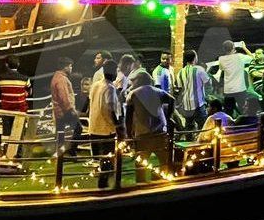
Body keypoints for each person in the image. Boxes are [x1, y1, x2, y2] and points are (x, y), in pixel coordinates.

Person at [124, 70, 174, 183]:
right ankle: (163, 182)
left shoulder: (133, 94)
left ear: (139, 80)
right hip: (160, 131)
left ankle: (141, 183)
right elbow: (172, 100)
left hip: (143, 133)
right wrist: (168, 116)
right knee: (164, 161)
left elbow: (128, 117)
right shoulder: (158, 91)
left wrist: (129, 133)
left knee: (141, 162)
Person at [86, 60, 122, 188]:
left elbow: (92, 103)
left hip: (94, 127)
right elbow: (109, 110)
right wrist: (116, 125)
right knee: (108, 158)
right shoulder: (110, 88)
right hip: (106, 129)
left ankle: (104, 182)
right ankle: (104, 183)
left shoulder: (95, 85)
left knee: (100, 158)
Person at [173, 49, 210, 131]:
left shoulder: (181, 72)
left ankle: (189, 141)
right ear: (195, 58)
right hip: (198, 104)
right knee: (203, 127)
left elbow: (179, 88)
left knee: (189, 126)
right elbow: (208, 82)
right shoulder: (199, 69)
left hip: (186, 104)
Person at [0, 55, 31, 135]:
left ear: (6, 65)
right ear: (18, 64)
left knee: (7, 133)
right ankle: (20, 146)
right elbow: (29, 91)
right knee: (20, 132)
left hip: (6, 109)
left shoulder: (0, 78)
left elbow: (1, 89)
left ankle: (6, 146)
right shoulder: (25, 78)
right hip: (20, 109)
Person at [216, 40, 255, 113]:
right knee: (243, 109)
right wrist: (244, 48)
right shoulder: (240, 57)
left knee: (229, 111)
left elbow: (222, 68)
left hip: (228, 90)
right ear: (234, 47)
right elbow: (252, 58)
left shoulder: (221, 59)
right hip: (240, 88)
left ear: (224, 49)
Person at [50, 57, 79, 152]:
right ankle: (71, 150)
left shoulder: (56, 77)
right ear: (65, 67)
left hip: (58, 111)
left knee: (60, 133)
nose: (71, 68)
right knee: (78, 129)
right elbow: (64, 96)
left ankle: (61, 153)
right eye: (70, 66)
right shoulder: (62, 79)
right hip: (65, 111)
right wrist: (71, 109)